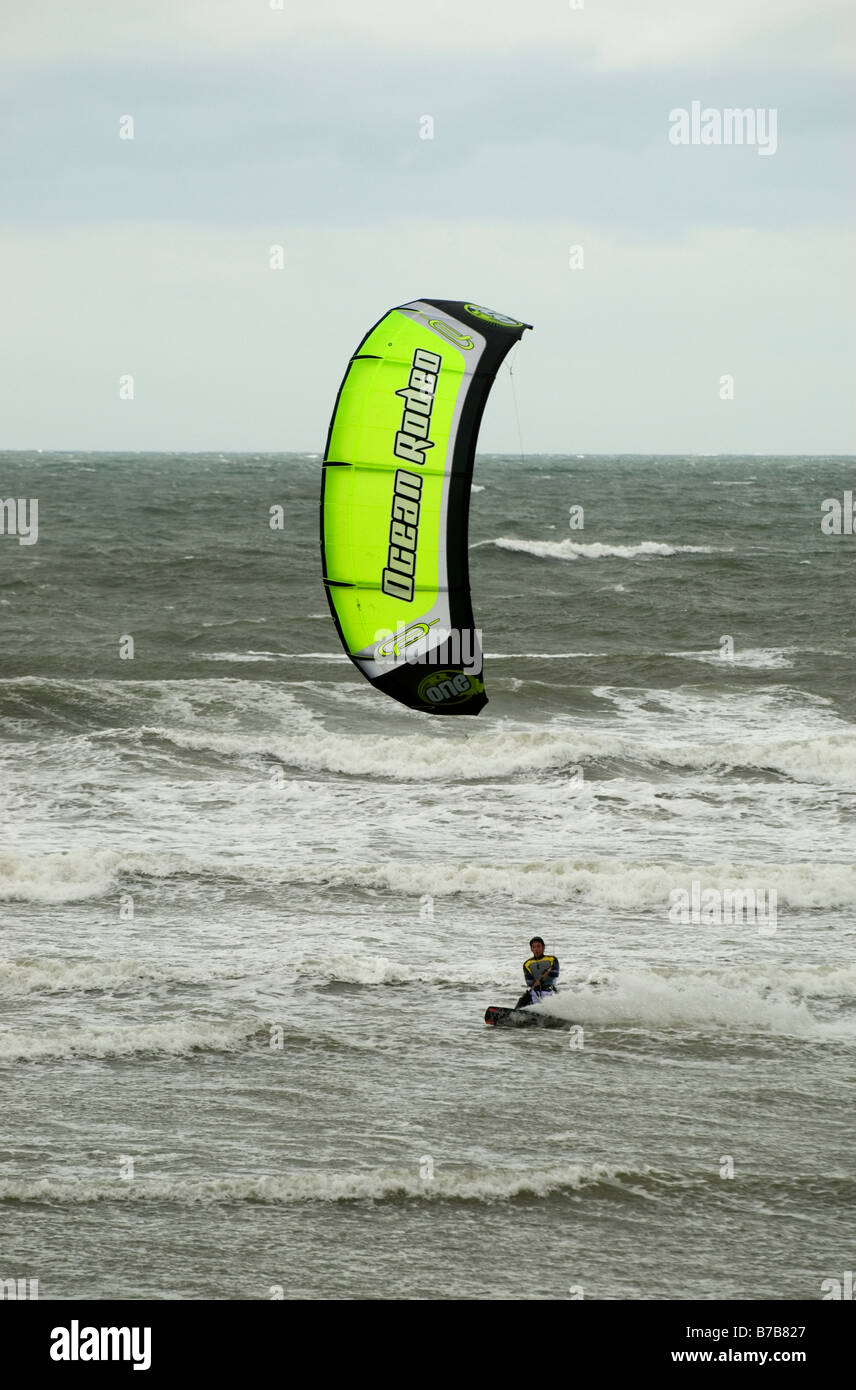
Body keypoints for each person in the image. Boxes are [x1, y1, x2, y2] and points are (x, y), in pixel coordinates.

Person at [515, 937, 559, 1009]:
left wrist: (546, 973)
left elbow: (555, 973)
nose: (536, 949)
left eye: (538, 946)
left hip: (550, 991)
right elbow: (529, 982)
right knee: (522, 1000)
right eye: (534, 947)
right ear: (531, 949)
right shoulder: (527, 964)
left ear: (543, 947)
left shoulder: (552, 959)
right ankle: (513, 1016)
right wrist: (534, 982)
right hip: (535, 992)